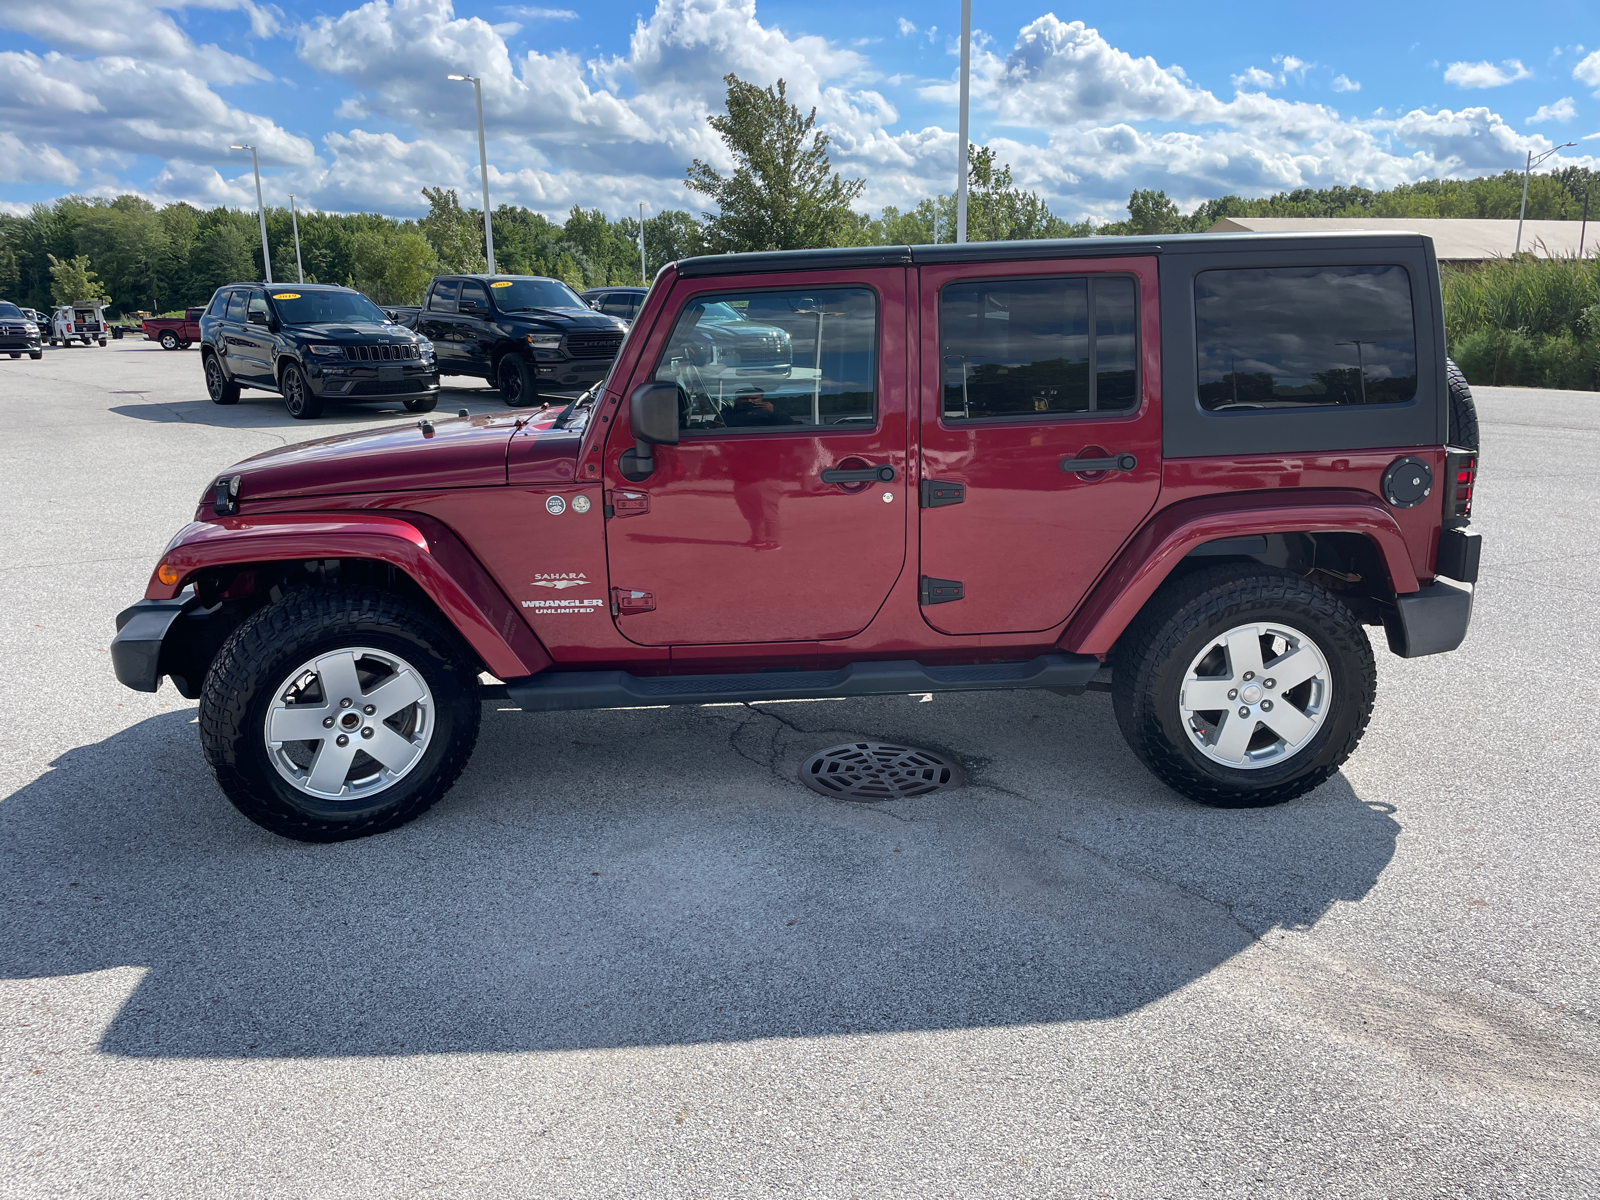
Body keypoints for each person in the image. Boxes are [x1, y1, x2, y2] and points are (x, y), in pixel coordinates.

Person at [721, 386, 798, 427]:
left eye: (754, 398)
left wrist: (773, 413)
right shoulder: (727, 412)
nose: (749, 401)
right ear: (736, 399)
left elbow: (790, 426)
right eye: (744, 398)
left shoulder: (770, 410)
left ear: (761, 398)